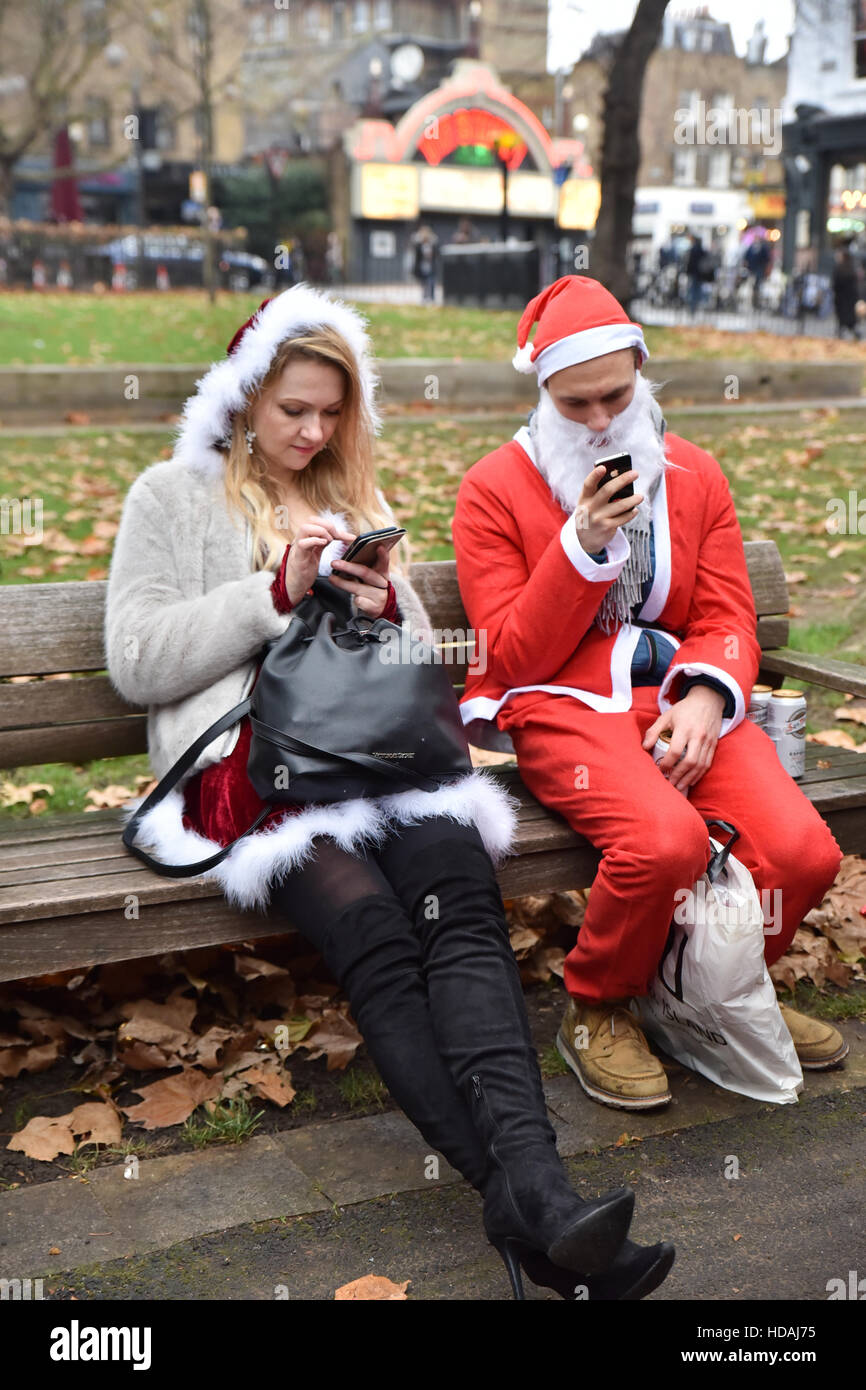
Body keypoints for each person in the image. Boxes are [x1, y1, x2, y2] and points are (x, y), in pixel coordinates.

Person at [105, 283, 674, 1300]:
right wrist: (270, 593)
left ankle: (534, 1192)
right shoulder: (170, 497)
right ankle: (527, 1207)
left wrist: (377, 606)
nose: (313, 430)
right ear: (243, 399)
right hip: (250, 776)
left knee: (458, 901)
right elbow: (137, 661)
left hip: (377, 763)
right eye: (293, 410)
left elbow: (416, 665)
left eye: (332, 411)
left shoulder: (351, 501)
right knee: (370, 925)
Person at [452, 275, 846, 1114]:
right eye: (574, 404)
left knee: (805, 854)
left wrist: (707, 698)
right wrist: (583, 544)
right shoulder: (495, 488)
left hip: (676, 697)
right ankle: (597, 1005)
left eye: (615, 396)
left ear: (641, 368)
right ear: (542, 392)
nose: (598, 421)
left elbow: (728, 613)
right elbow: (513, 654)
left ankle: (711, 991)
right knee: (662, 843)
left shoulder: (694, 477)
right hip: (559, 705)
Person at [832, 244, 861, 339]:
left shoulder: (841, 268)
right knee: (846, 318)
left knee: (845, 318)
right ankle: (846, 332)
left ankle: (845, 332)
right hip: (847, 297)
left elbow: (836, 282)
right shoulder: (850, 268)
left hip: (844, 297)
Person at [411, 224, 439, 303]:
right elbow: (416, 255)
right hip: (422, 266)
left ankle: (432, 298)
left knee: (431, 281)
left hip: (431, 266)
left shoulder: (433, 244)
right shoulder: (419, 245)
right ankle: (424, 297)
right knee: (423, 282)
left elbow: (437, 253)